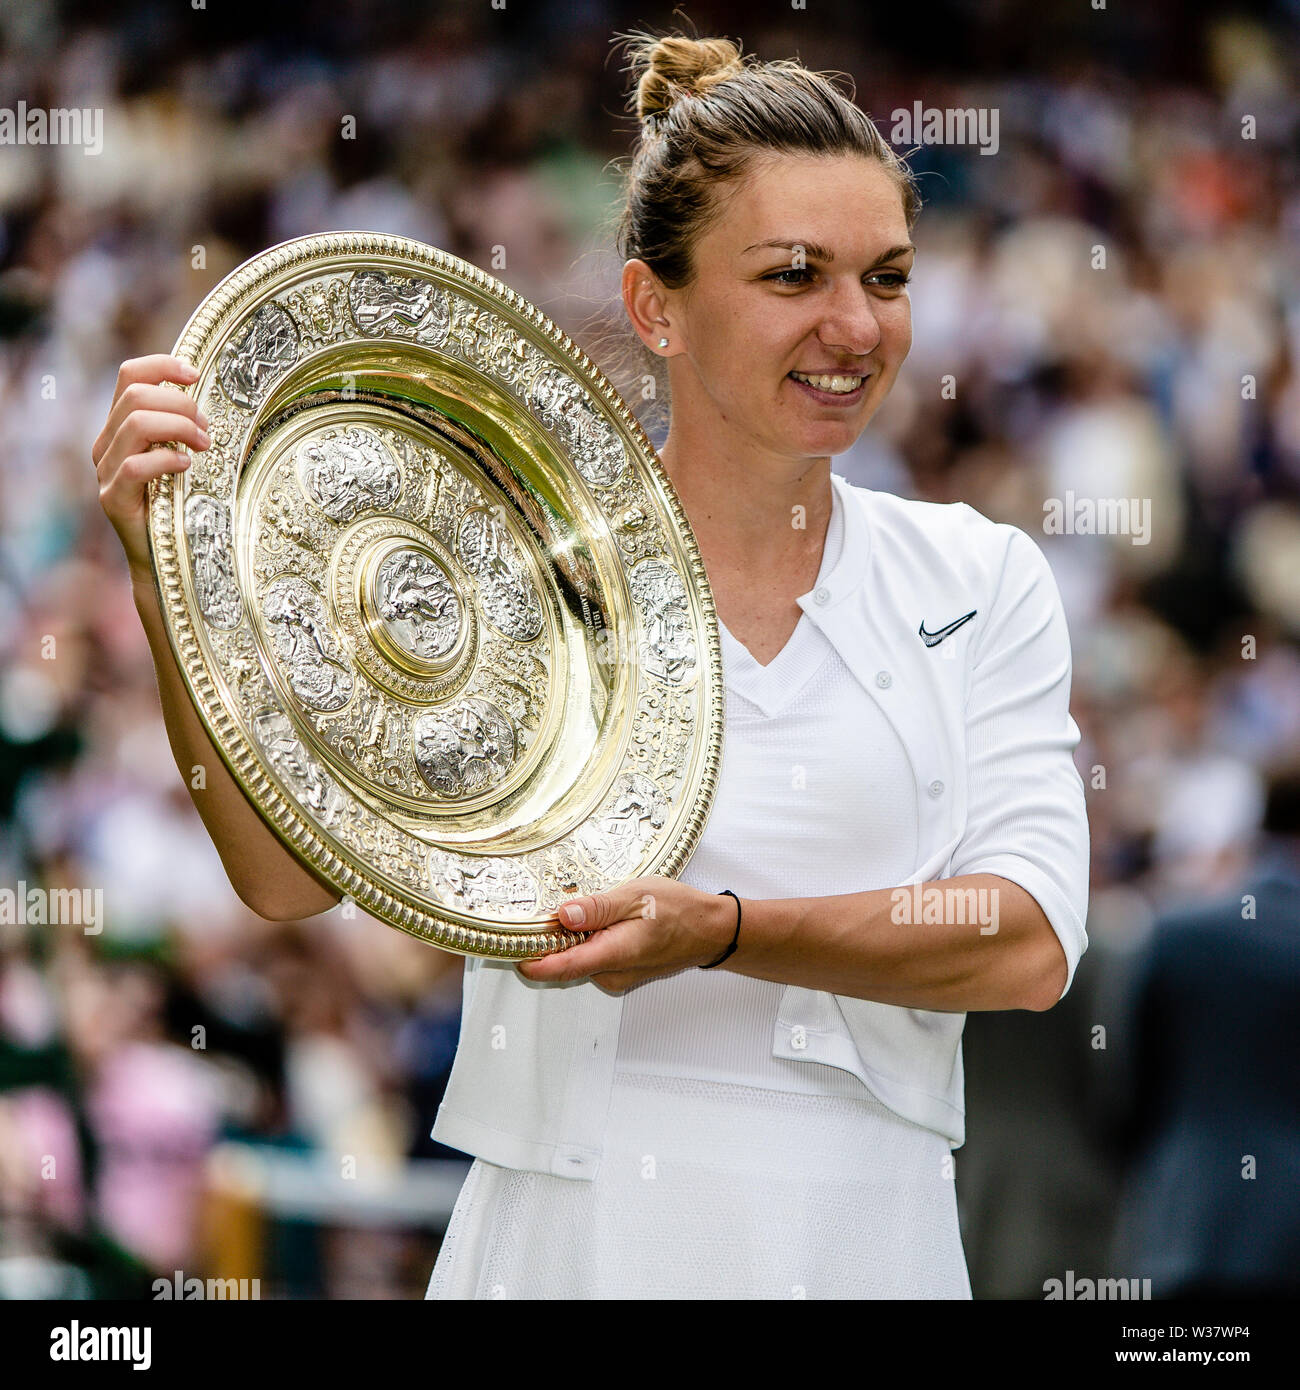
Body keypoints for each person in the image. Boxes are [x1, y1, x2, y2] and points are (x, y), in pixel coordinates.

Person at [92, 31, 1091, 1299]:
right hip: (568, 1238)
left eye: (886, 277)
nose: (855, 326)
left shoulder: (978, 576)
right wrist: (158, 574)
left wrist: (719, 934)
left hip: (868, 1238)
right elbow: (286, 881)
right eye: (794, 274)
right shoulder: (496, 576)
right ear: (651, 306)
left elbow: (1025, 939)